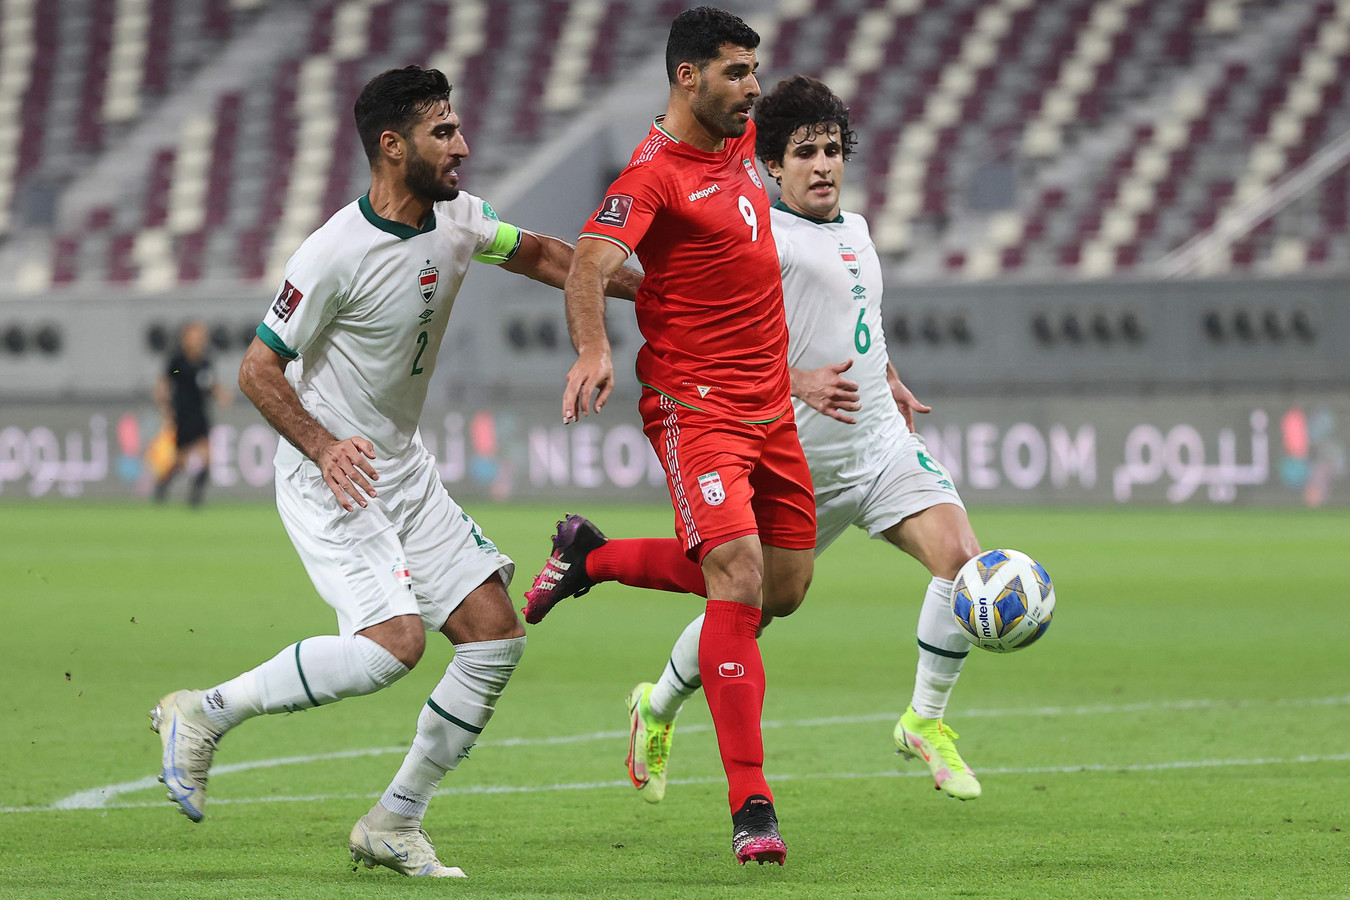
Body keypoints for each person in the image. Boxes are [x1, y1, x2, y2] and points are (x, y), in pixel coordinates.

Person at [148, 65, 639, 879]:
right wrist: (324, 445)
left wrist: (646, 291)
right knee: (392, 645)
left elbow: (549, 256)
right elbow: (257, 370)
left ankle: (394, 820)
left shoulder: (459, 217)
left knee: (493, 636)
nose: (463, 145)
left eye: (456, 127)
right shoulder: (333, 252)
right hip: (330, 474)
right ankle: (201, 714)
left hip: (400, 469)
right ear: (391, 145)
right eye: (442, 132)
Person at [525, 76, 986, 810]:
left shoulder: (856, 228)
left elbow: (857, 319)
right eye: (805, 153)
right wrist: (795, 379)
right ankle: (656, 701)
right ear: (772, 166)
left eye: (833, 149)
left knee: (968, 567)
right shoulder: (761, 236)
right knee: (748, 605)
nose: (823, 165)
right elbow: (703, 308)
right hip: (797, 453)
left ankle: (925, 721)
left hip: (880, 447)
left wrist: (886, 374)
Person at [542, 7, 814, 867]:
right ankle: (751, 807)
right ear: (687, 77)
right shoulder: (652, 174)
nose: (753, 88)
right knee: (734, 577)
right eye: (737, 72)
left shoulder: (741, 139)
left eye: (756, 70)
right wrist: (594, 346)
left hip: (772, 406)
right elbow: (589, 258)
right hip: (693, 409)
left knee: (782, 589)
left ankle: (589, 557)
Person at [152, 320, 231, 506]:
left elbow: (209, 382)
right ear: (185, 338)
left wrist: (220, 393)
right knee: (180, 461)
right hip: (183, 415)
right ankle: (162, 484)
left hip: (200, 414)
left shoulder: (205, 362)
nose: (199, 340)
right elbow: (166, 382)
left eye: (201, 336)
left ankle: (195, 497)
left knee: (207, 458)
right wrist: (165, 408)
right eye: (195, 336)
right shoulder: (178, 362)